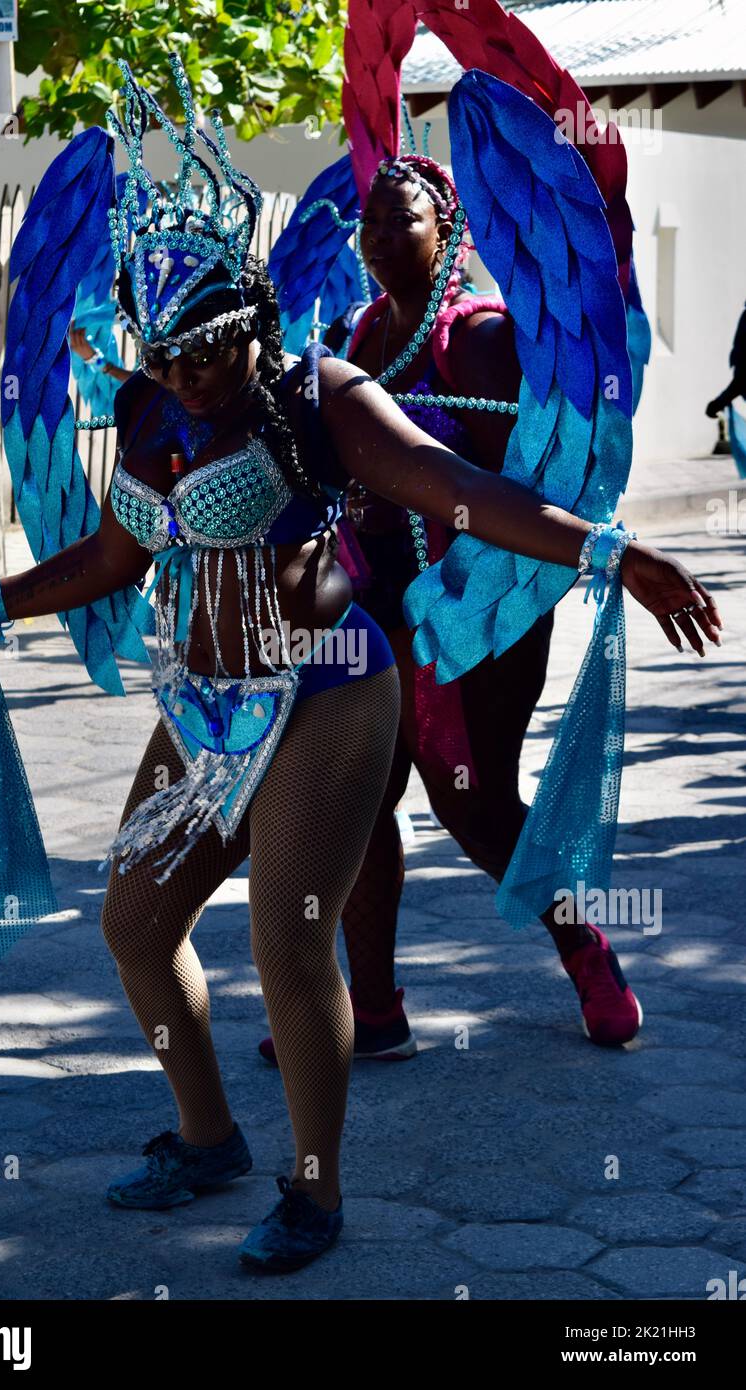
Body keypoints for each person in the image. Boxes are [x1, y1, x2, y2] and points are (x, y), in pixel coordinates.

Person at [0, 60, 721, 1274]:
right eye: (165, 358)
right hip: (203, 706)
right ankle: (206, 1137)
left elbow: (463, 488)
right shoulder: (148, 411)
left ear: (247, 318)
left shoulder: (314, 395)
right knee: (134, 923)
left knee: (287, 937)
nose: (187, 379)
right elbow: (113, 557)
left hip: (330, 689)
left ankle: (316, 1191)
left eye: (206, 355)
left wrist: (612, 549)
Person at [260, 153, 641, 1065]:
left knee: (474, 804)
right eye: (374, 224)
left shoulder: (480, 340)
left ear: (450, 234)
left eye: (406, 222)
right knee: (360, 799)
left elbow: (524, 485)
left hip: (479, 608)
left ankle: (586, 950)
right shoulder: (352, 339)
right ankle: (373, 1011)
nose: (384, 239)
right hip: (371, 601)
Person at [706, 300, 746, 418]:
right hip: (743, 365)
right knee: (737, 386)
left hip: (741, 364)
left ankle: (715, 406)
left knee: (736, 387)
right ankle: (714, 406)